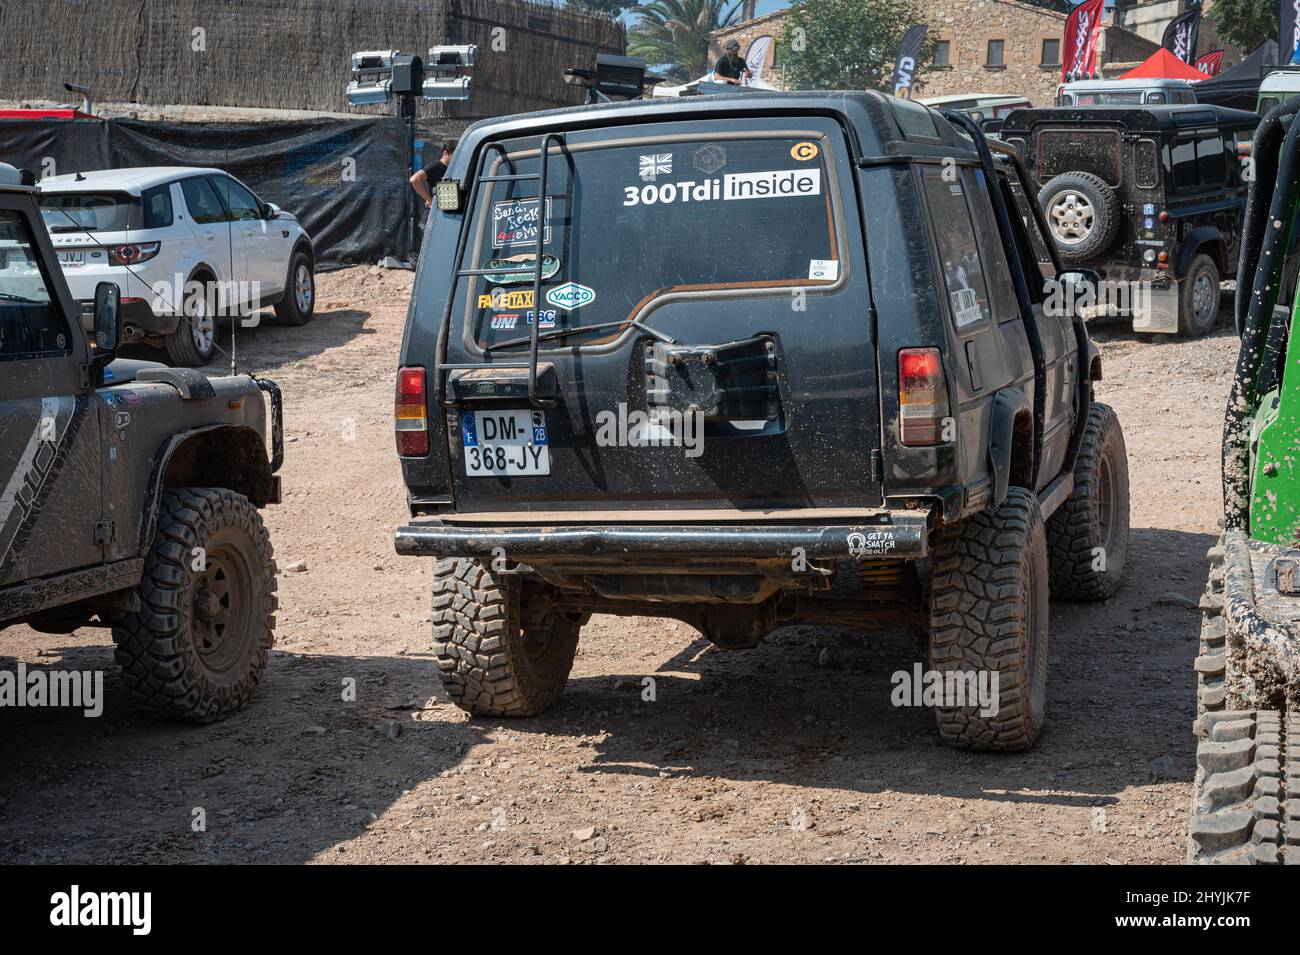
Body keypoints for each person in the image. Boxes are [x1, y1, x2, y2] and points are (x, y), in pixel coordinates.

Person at [410, 138, 457, 209]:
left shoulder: (453, 168)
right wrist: (429, 200)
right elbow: (415, 179)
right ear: (445, 153)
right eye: (454, 154)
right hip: (434, 214)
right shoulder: (436, 166)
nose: (457, 157)